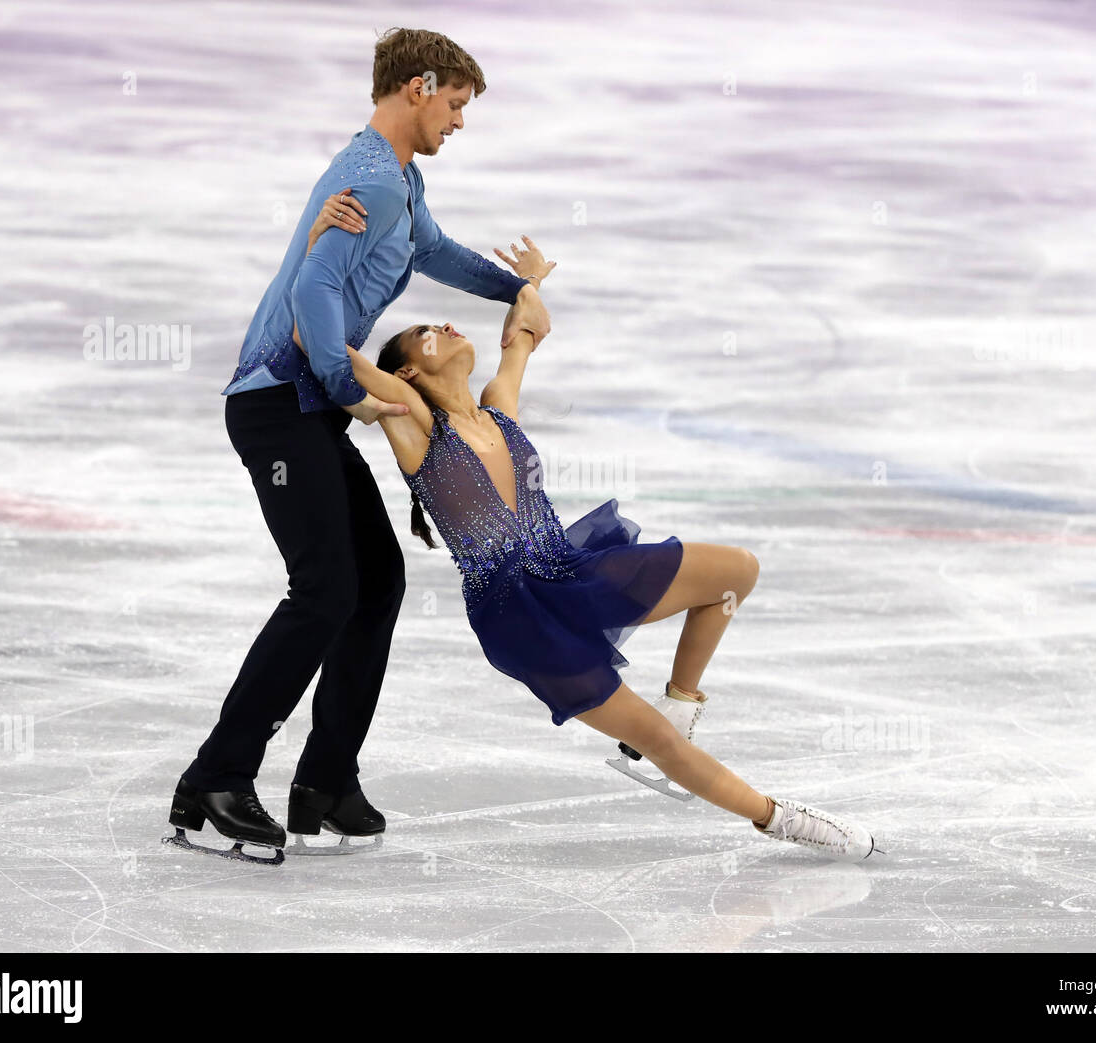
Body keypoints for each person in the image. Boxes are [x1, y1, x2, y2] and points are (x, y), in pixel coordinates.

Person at [323, 227, 878, 862]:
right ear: (407, 372)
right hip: (519, 612)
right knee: (668, 754)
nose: (446, 325)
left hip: (569, 569)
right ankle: (784, 819)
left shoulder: (498, 407)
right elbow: (327, 342)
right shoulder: (415, 423)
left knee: (736, 573)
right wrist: (324, 248)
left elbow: (526, 330)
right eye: (428, 331)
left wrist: (529, 283)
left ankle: (680, 707)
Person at [166, 28, 552, 865]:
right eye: (454, 104)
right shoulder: (372, 180)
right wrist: (356, 397)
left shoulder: (398, 182)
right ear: (418, 87)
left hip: (307, 408)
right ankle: (217, 776)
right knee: (327, 588)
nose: (458, 122)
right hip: (277, 404)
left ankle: (324, 780)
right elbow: (311, 289)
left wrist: (516, 288)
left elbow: (435, 250)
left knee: (376, 580)